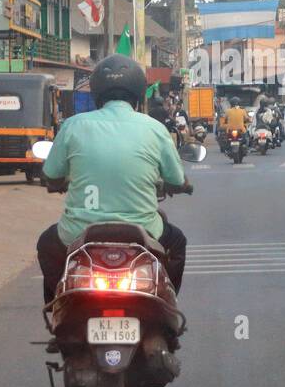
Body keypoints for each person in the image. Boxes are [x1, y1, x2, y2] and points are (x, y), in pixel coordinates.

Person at [36, 55, 191, 303]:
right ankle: (165, 303)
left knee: (47, 244)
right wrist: (182, 186)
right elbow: (175, 178)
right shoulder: (155, 128)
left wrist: (57, 183)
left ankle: (57, 306)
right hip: (144, 231)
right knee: (177, 242)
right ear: (139, 95)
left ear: (98, 93)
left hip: (78, 232)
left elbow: (51, 175)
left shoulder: (73, 125)